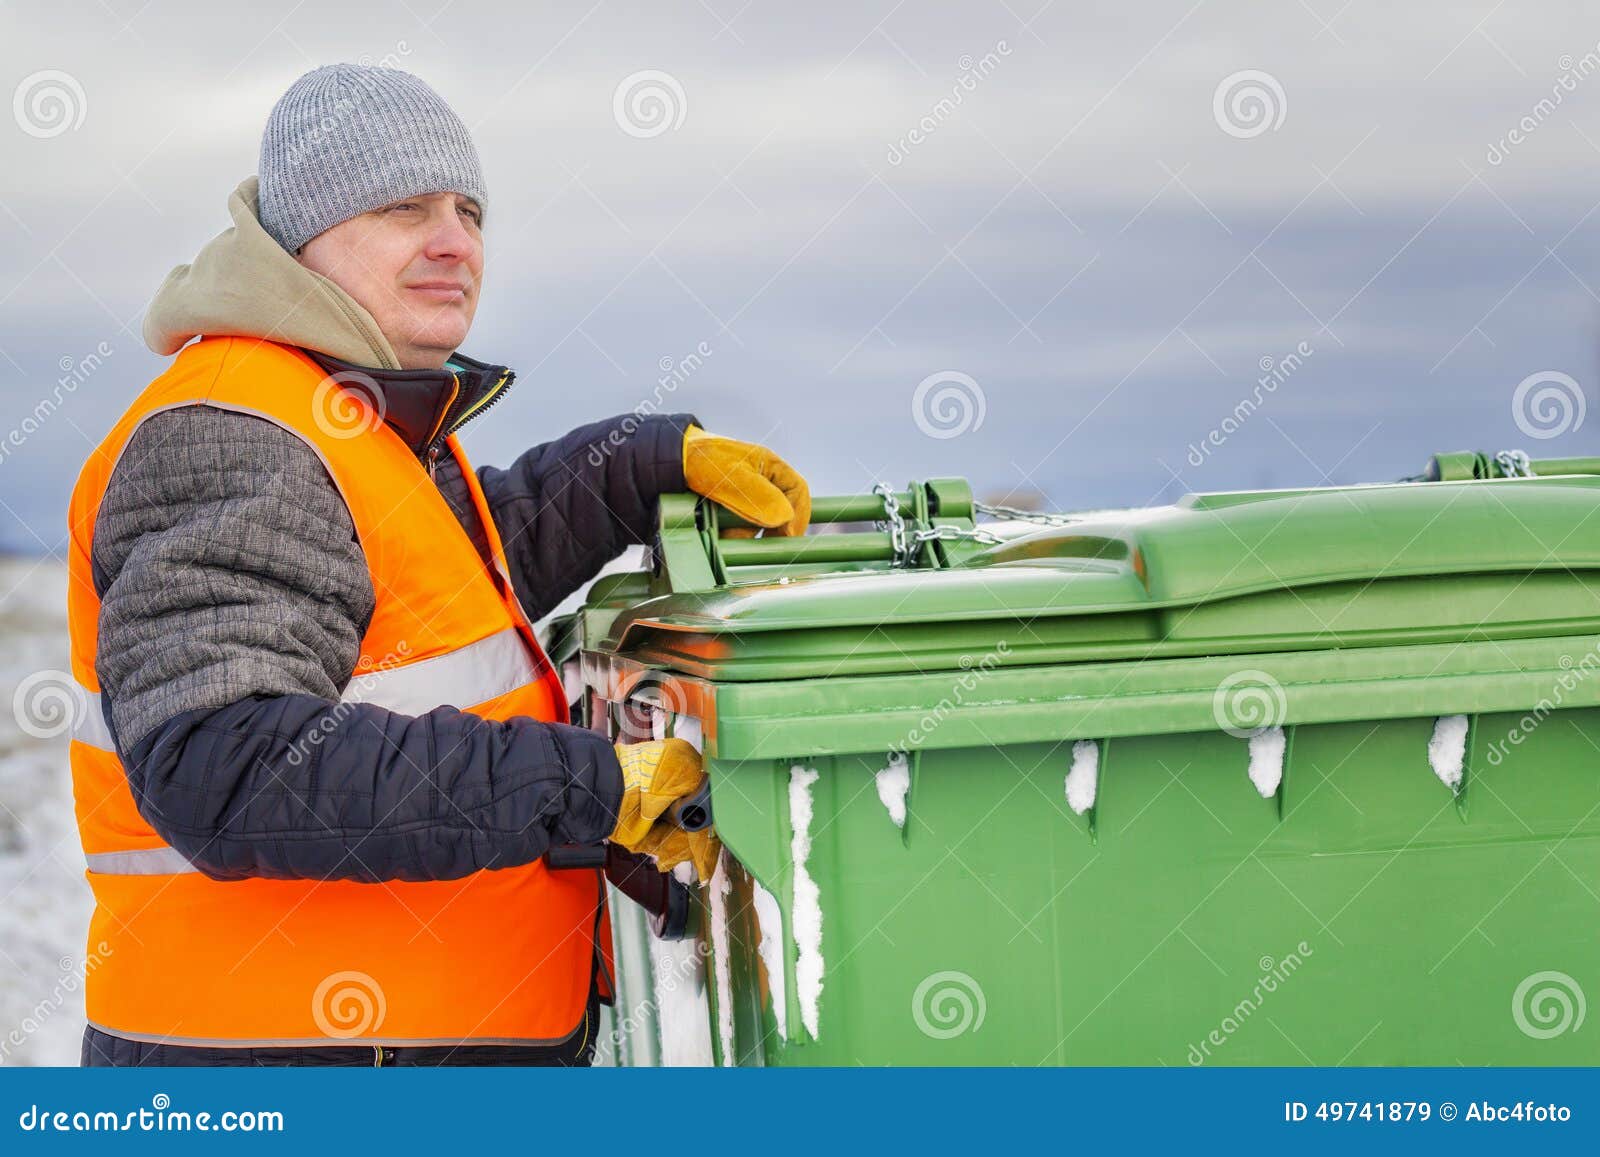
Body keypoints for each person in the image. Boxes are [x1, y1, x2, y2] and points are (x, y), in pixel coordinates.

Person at [64, 63, 810, 1067]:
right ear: (301, 235)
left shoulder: (349, 414)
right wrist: (594, 788)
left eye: (470, 210)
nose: (456, 242)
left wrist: (636, 464)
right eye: (403, 207)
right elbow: (228, 764)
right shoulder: (236, 430)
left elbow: (435, 585)